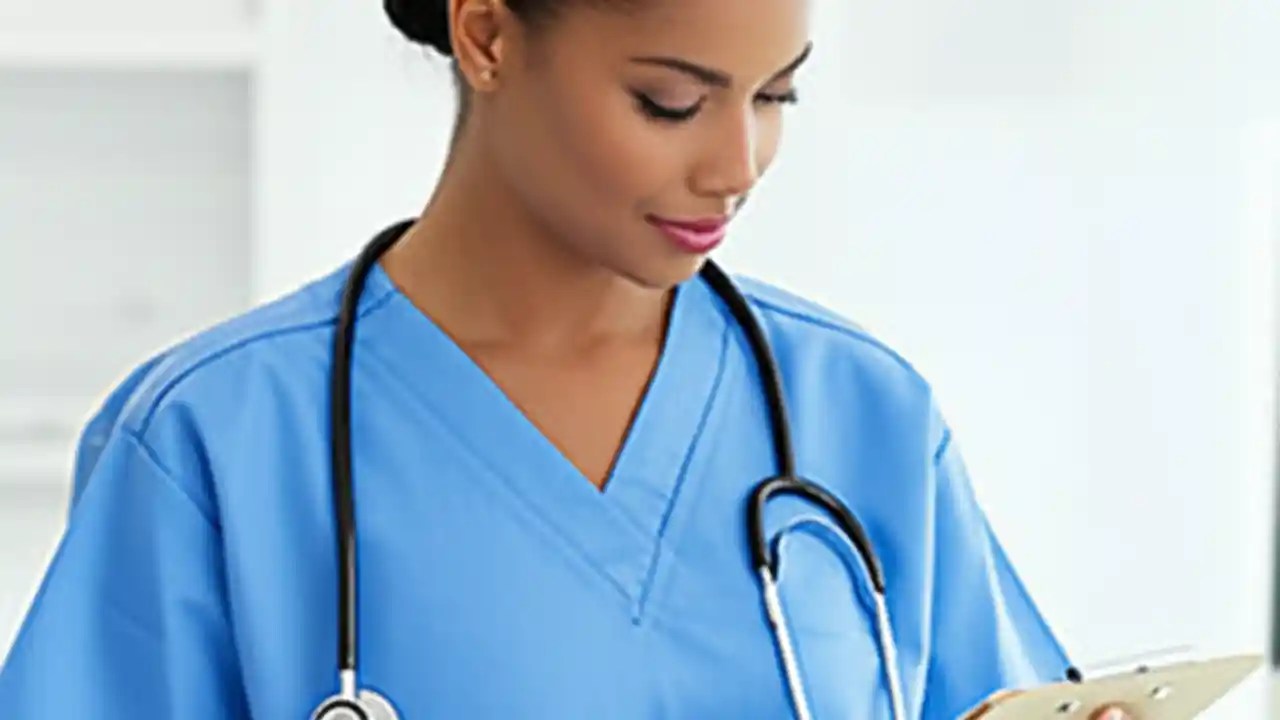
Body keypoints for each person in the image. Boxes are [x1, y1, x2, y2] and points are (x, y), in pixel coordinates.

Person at [0, 0, 1130, 718]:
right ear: (485, 35)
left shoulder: (862, 416)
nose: (737, 164)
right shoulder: (219, 439)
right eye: (670, 101)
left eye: (776, 94)